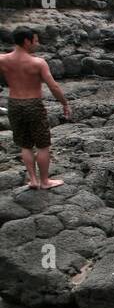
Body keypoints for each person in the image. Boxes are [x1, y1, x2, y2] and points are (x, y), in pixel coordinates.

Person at [0, 27, 70, 190]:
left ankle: (33, 180)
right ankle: (44, 181)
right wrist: (64, 103)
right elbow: (53, 86)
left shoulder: (3, 60)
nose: (37, 44)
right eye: (36, 41)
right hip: (33, 104)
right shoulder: (37, 63)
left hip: (14, 104)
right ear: (26, 41)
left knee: (25, 145)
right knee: (43, 145)